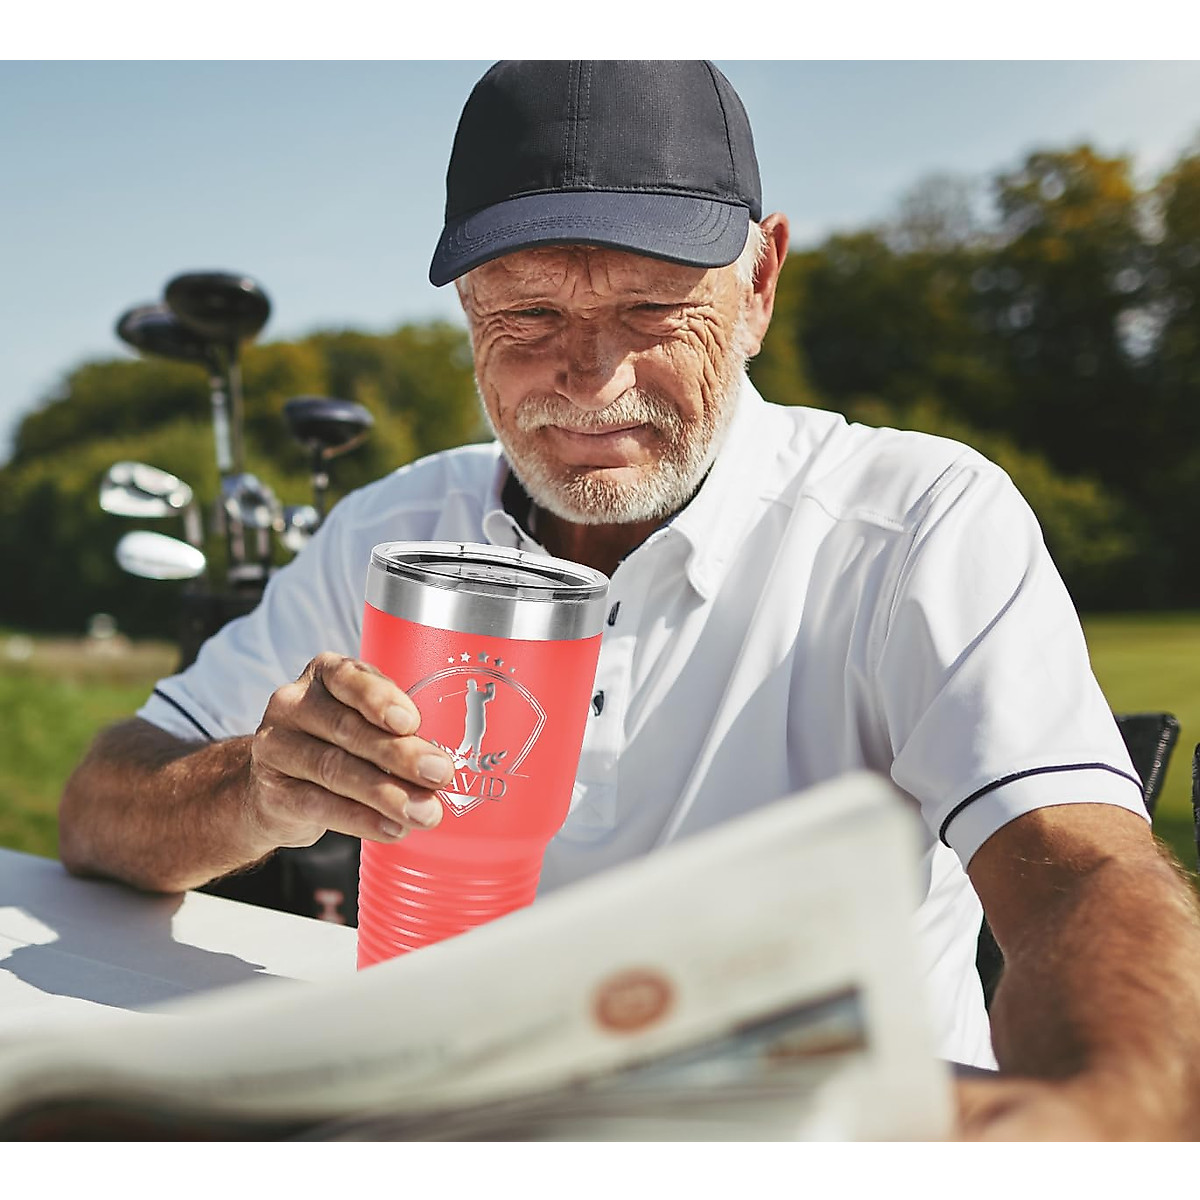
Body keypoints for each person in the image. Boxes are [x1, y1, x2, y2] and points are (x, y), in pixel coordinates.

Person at [60, 60, 1200, 1139]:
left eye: (653, 308)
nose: (591, 376)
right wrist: (259, 786)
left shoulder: (915, 520)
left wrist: (1108, 1112)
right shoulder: (393, 529)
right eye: (529, 316)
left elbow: (1081, 870)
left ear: (759, 284)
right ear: (467, 312)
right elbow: (105, 804)